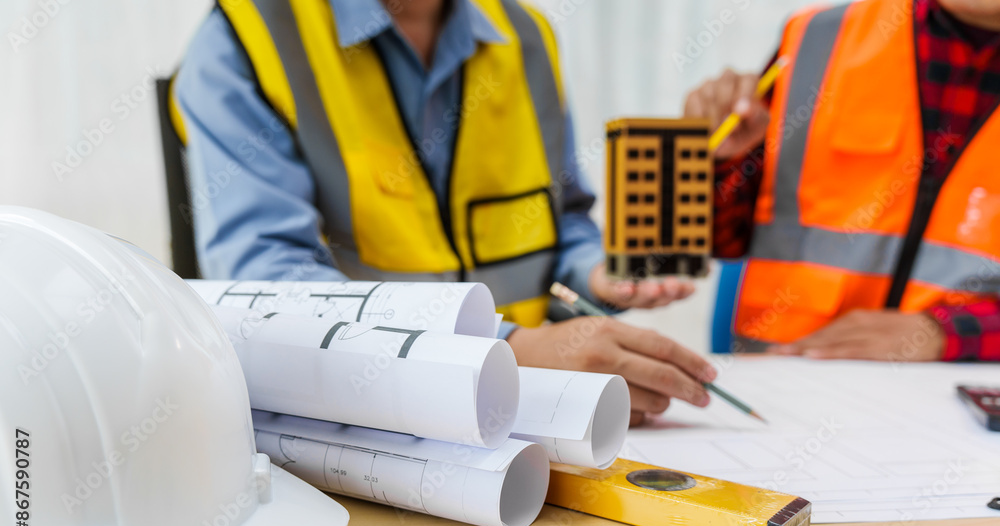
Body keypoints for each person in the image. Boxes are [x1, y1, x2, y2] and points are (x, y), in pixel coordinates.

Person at [174, 0, 717, 425]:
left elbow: (563, 216)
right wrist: (507, 352)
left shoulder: (526, 36)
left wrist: (595, 273)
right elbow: (270, 290)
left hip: (536, 417)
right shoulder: (245, 41)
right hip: (367, 426)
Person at [686, 0, 1000, 362]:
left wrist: (946, 334)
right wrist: (718, 159)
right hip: (786, 383)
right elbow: (717, 240)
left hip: (952, 404)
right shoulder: (819, 37)